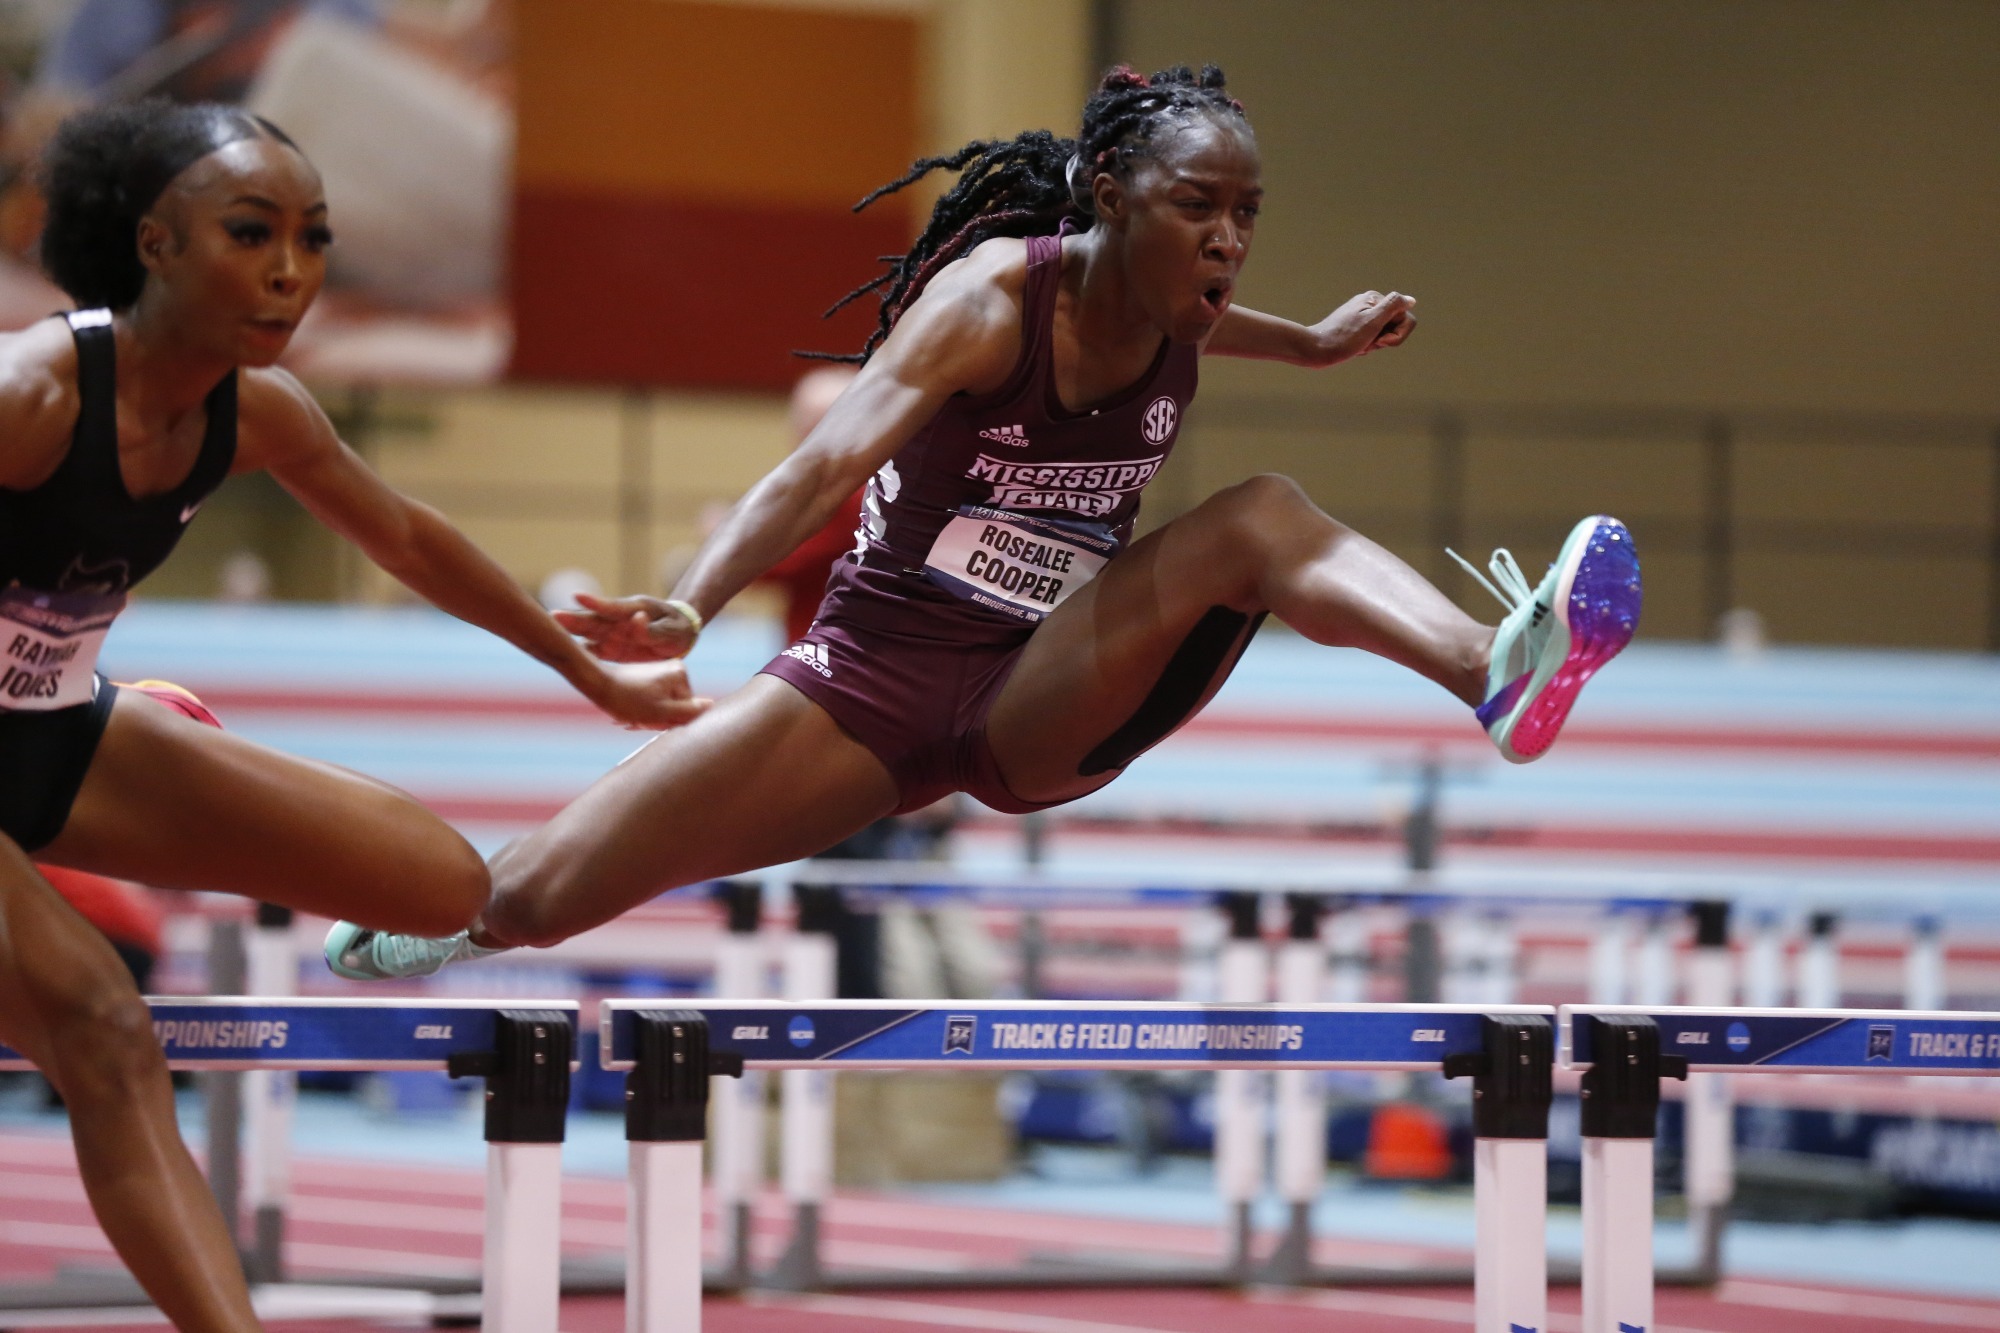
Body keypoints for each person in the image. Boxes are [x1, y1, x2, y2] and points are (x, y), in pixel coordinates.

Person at [327, 63, 1640, 983]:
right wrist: (696, 598)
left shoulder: (1179, 308)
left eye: (1249, 215)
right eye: (1201, 209)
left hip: (1042, 685)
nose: (1229, 241)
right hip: (868, 691)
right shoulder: (987, 305)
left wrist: (1310, 346)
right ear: (1112, 195)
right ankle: (428, 913)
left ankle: (1493, 667)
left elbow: (1210, 318)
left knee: (1259, 519)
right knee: (532, 899)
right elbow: (820, 462)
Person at [0, 99, 700, 1332]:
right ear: (154, 242)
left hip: (53, 731)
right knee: (103, 1028)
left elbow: (410, 538)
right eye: (251, 232)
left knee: (440, 887)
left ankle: (142, 728)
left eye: (314, 240)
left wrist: (595, 677)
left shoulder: (255, 413)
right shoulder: (31, 395)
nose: (290, 272)